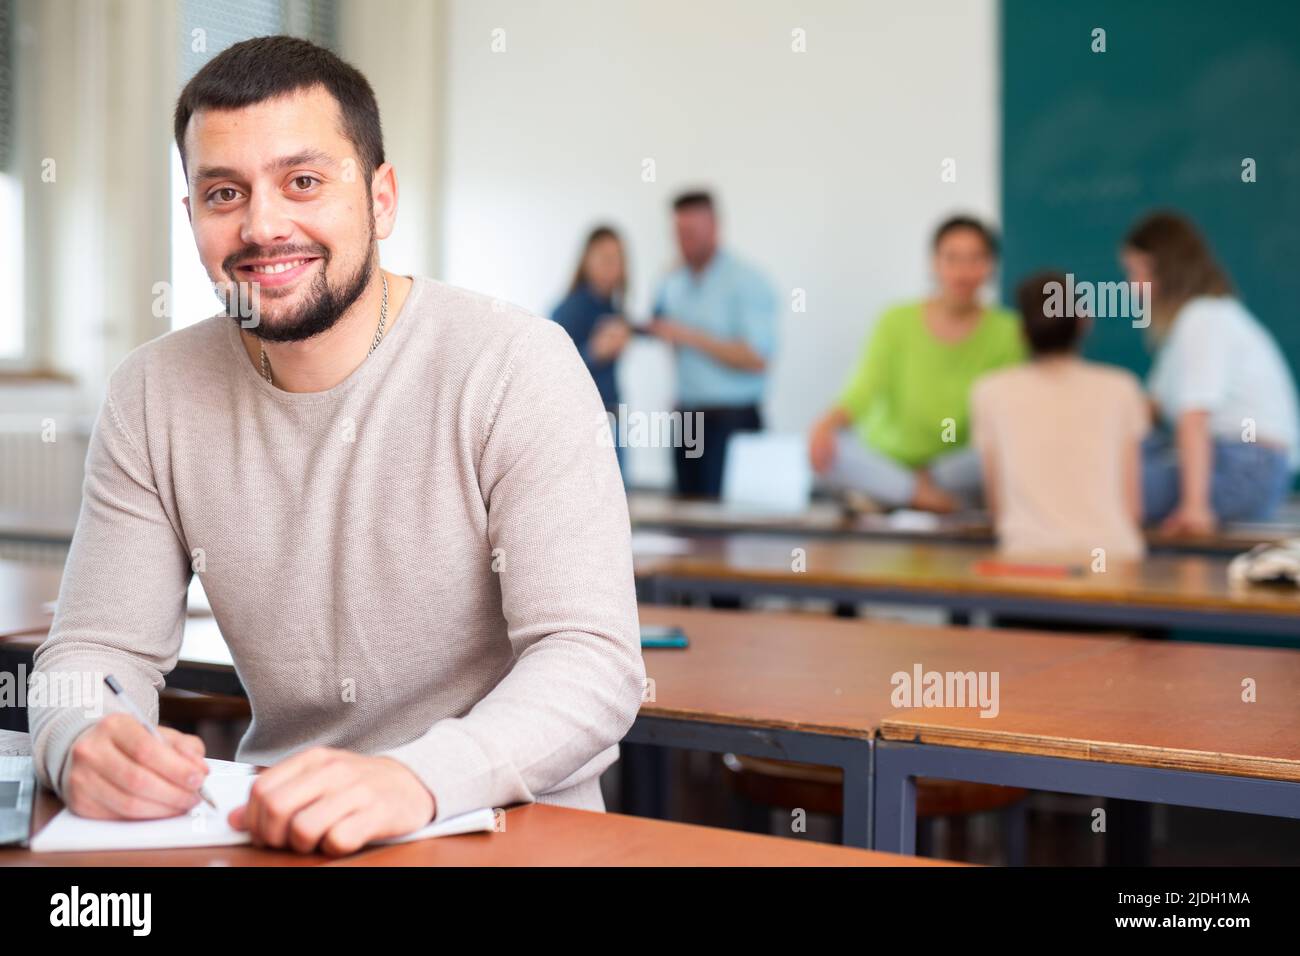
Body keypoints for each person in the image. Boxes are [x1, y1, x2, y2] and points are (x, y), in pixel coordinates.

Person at [27, 36, 644, 857]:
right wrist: (81, 737)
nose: (263, 224)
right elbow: (96, 647)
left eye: (304, 181)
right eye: (223, 193)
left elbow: (593, 660)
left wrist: (415, 780)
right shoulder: (152, 393)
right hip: (276, 829)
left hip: (506, 828)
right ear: (193, 219)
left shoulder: (516, 364)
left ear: (382, 199)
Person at [809, 216, 1025, 512]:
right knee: (828, 453)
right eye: (952, 258)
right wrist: (825, 426)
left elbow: (1004, 418)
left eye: (976, 259)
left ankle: (902, 494)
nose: (963, 271)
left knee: (998, 454)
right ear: (934, 263)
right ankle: (922, 496)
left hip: (950, 468)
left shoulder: (1009, 331)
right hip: (888, 459)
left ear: (990, 266)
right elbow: (863, 390)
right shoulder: (895, 320)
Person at [1122, 211, 1300, 534]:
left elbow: (1194, 418)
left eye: (1135, 273)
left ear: (1162, 270)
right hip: (1232, 462)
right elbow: (1146, 413)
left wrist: (1194, 507)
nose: (1131, 287)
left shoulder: (1202, 319)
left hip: (1244, 469)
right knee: (1118, 458)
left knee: (1113, 483)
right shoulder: (1187, 328)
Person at [971, 271, 1148, 561]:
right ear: (1084, 323)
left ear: (1022, 330)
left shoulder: (989, 391)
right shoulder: (1122, 388)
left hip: (1027, 564)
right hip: (1113, 562)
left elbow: (997, 509)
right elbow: (1133, 508)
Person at [649, 191, 777, 498]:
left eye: (692, 233)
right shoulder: (672, 281)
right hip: (688, 418)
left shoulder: (748, 282)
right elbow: (660, 328)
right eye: (679, 234)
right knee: (685, 519)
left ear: (715, 228)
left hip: (733, 422)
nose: (684, 241)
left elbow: (756, 357)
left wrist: (689, 335)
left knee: (727, 527)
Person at [550, 226, 633, 473]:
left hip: (611, 412)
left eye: (617, 260)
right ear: (587, 261)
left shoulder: (613, 307)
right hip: (584, 420)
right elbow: (553, 371)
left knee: (617, 498)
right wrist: (595, 351)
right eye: (605, 259)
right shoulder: (570, 309)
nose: (612, 267)